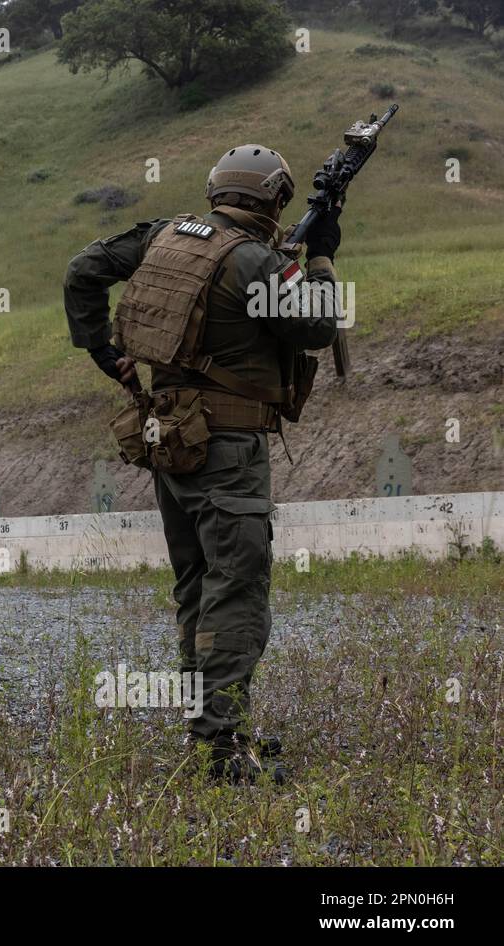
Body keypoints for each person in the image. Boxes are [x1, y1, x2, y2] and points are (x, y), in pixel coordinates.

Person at [63, 145, 345, 782]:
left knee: (197, 588)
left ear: (218, 191)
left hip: (171, 440)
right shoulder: (255, 262)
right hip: (228, 450)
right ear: (273, 201)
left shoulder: (166, 236)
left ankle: (217, 732)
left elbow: (83, 269)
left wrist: (103, 353)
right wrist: (321, 256)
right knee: (237, 592)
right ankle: (222, 750)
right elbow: (320, 325)